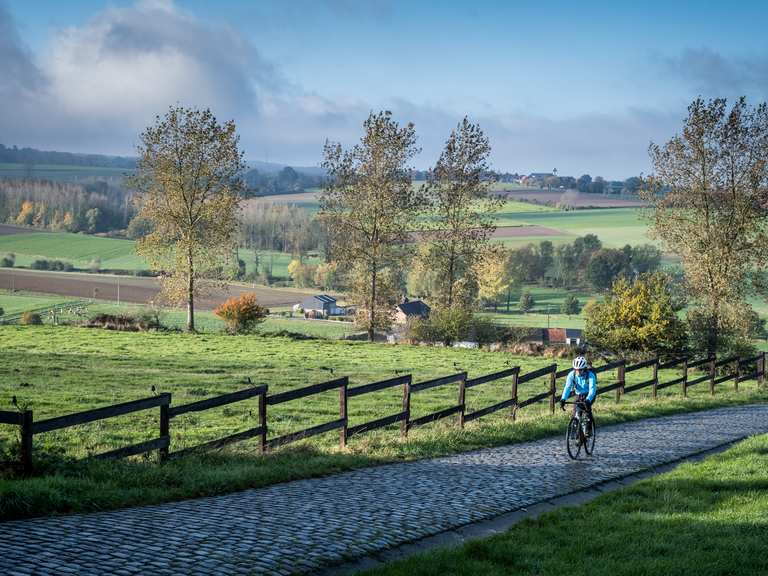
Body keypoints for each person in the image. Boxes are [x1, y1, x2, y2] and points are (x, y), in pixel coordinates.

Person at [560, 356, 597, 431]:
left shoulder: (590, 375)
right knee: (576, 412)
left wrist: (588, 400)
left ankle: (588, 429)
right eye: (576, 370)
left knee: (587, 410)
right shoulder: (571, 375)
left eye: (580, 370)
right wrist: (563, 399)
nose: (578, 372)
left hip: (589, 394)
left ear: (584, 369)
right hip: (579, 394)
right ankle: (575, 432)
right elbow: (567, 387)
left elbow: (592, 389)